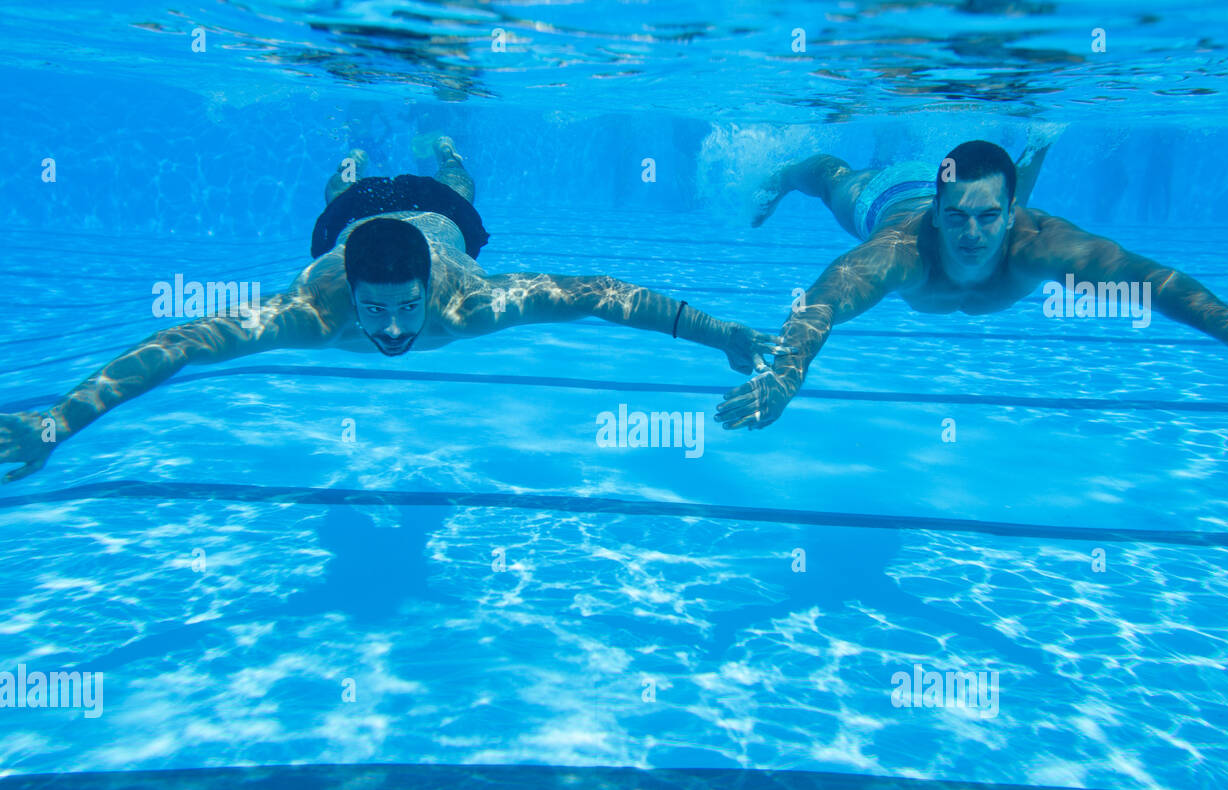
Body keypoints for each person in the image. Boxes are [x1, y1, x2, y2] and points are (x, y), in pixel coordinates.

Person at [0, 136, 783, 481]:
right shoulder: (312, 309)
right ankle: (349, 171)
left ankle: (449, 157)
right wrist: (55, 423)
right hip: (353, 227)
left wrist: (718, 335)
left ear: (428, 292)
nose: (394, 331)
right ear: (348, 291)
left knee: (462, 194)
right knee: (342, 198)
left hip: (441, 220)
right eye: (374, 313)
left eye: (405, 309)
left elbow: (599, 296)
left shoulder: (467, 300)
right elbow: (180, 343)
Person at [717, 137, 1228, 430]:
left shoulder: (1037, 245)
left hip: (974, 188)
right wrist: (787, 374)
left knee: (1018, 186)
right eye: (956, 217)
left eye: (989, 217)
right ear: (939, 212)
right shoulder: (901, 250)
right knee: (830, 178)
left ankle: (1036, 140)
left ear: (1013, 211)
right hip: (891, 196)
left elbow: (1141, 277)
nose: (971, 234)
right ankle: (788, 173)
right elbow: (824, 301)